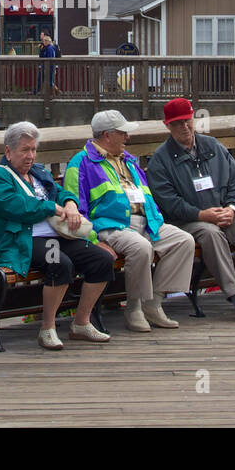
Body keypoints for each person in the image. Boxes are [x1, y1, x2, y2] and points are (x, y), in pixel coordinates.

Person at [0, 121, 114, 350]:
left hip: (56, 237)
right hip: (23, 239)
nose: (30, 155)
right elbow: (16, 206)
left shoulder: (38, 172)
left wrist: (70, 204)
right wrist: (51, 208)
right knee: (60, 263)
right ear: (8, 151)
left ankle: (81, 323)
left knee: (102, 259)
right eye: (24, 150)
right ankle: (47, 329)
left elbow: (60, 192)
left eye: (33, 149)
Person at [63, 110, 195, 333]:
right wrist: (93, 239)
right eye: (123, 133)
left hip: (146, 222)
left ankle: (153, 303)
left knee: (184, 241)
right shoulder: (81, 162)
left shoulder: (128, 160)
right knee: (141, 248)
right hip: (111, 225)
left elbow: (145, 195)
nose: (128, 137)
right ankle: (134, 307)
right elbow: (76, 205)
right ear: (107, 135)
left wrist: (155, 220)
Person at [146, 98, 235, 321]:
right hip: (189, 220)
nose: (184, 127)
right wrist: (201, 214)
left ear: (193, 118)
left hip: (227, 213)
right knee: (212, 235)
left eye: (187, 120)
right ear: (167, 126)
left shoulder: (213, 146)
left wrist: (231, 208)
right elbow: (168, 203)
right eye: (177, 123)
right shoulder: (160, 160)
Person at [35, 30, 61, 94]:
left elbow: (50, 58)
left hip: (49, 67)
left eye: (44, 41)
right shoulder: (45, 47)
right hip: (45, 67)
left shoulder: (50, 48)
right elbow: (41, 57)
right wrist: (41, 50)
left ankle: (57, 93)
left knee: (49, 82)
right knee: (46, 81)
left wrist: (51, 68)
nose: (43, 42)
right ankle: (41, 93)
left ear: (47, 41)